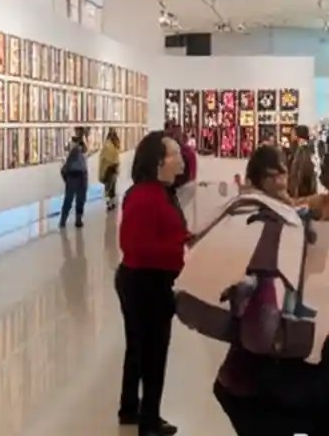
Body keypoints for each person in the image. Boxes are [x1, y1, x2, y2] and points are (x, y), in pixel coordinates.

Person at [212, 145, 329, 435]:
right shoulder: (259, 216)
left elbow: (325, 206)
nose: (280, 181)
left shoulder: (283, 211)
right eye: (272, 176)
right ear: (259, 179)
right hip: (255, 375)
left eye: (283, 173)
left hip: (257, 367)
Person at [117, 131, 188, 436]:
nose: (182, 159)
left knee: (138, 348)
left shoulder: (159, 192)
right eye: (176, 154)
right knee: (153, 353)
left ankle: (130, 408)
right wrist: (182, 254)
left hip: (145, 279)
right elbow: (135, 246)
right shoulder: (147, 197)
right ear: (159, 161)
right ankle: (149, 421)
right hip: (146, 282)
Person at [60, 127, 90, 228]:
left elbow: (85, 151)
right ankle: (63, 220)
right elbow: (69, 157)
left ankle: (78, 219)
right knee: (69, 198)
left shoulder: (83, 144)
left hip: (81, 174)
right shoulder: (72, 145)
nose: (80, 133)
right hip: (73, 174)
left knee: (80, 199)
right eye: (79, 131)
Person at [165, 120, 197, 191]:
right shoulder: (161, 151)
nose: (174, 136)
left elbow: (192, 177)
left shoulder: (188, 153)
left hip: (183, 190)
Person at [287, 125, 317, 198]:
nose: (291, 135)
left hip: (303, 190)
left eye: (293, 133)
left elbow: (304, 169)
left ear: (298, 135)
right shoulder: (297, 148)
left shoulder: (304, 150)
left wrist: (297, 187)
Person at [100, 128, 122, 211]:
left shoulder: (113, 144)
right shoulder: (108, 145)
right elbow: (106, 157)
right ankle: (109, 203)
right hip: (109, 169)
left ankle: (111, 202)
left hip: (112, 169)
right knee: (109, 187)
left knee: (111, 187)